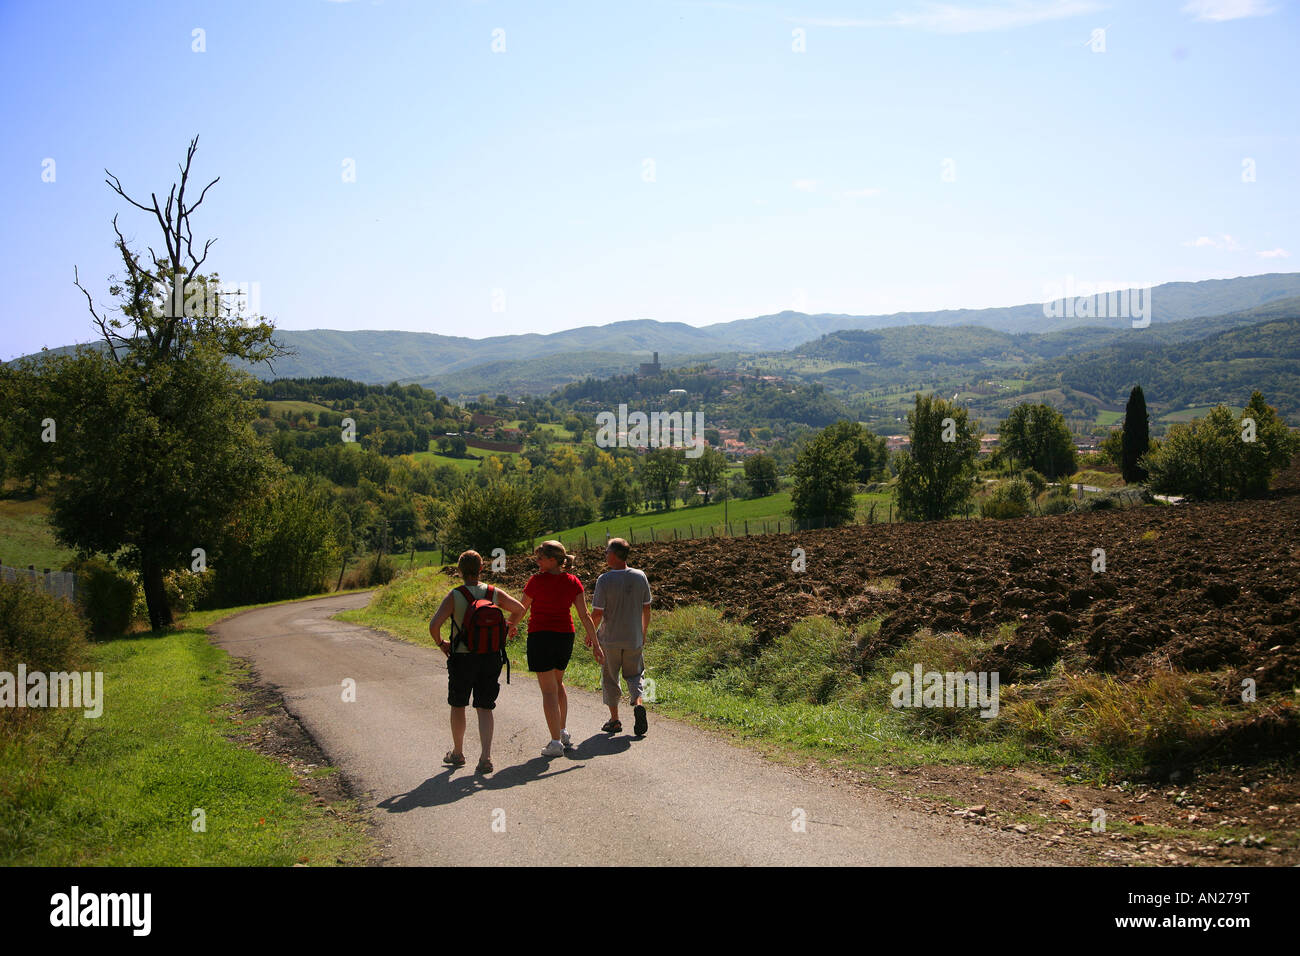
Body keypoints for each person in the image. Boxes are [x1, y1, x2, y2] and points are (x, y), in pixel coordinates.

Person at [428, 550, 525, 775]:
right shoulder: (493, 592)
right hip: (491, 656)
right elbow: (519, 609)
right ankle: (485, 757)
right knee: (484, 707)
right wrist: (509, 627)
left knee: (458, 704)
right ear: (482, 568)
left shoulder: (455, 595)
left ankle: (458, 753)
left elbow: (434, 625)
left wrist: (441, 643)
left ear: (459, 571)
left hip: (462, 656)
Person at [518, 540, 602, 757]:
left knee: (548, 690)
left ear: (553, 560)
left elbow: (522, 608)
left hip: (540, 637)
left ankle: (555, 742)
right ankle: (562, 731)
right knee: (557, 683)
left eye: (540, 558)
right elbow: (584, 615)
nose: (536, 561)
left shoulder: (535, 582)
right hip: (565, 637)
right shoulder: (573, 582)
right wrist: (596, 644)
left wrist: (509, 625)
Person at [591, 538, 653, 736]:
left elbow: (598, 613)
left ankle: (615, 720)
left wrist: (591, 634)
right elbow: (646, 608)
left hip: (610, 640)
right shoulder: (640, 576)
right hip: (633, 638)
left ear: (614, 555)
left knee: (610, 678)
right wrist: (642, 632)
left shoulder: (604, 580)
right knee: (635, 675)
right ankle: (638, 703)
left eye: (606, 551)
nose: (605, 555)